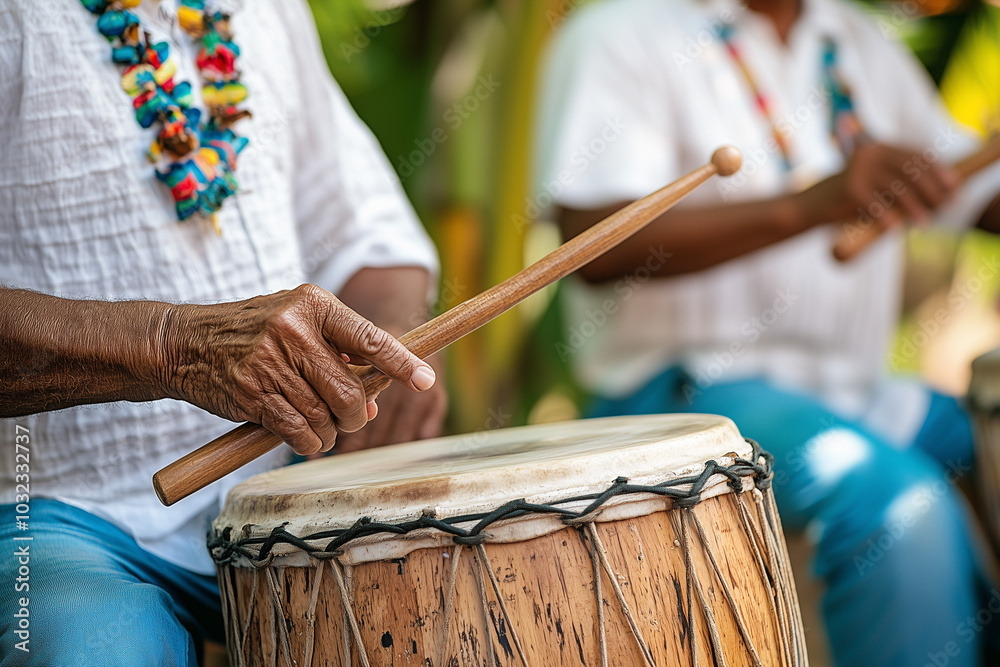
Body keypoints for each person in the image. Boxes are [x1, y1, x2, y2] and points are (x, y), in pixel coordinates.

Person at [535, 0, 1000, 664]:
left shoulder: (855, 37)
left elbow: (969, 190)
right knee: (896, 506)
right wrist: (811, 205)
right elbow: (593, 244)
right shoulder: (620, 32)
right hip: (680, 399)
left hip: (857, 394)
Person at [0, 0, 446, 664]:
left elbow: (365, 232)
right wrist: (173, 346)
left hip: (283, 492)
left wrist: (390, 336)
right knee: (102, 646)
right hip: (51, 509)